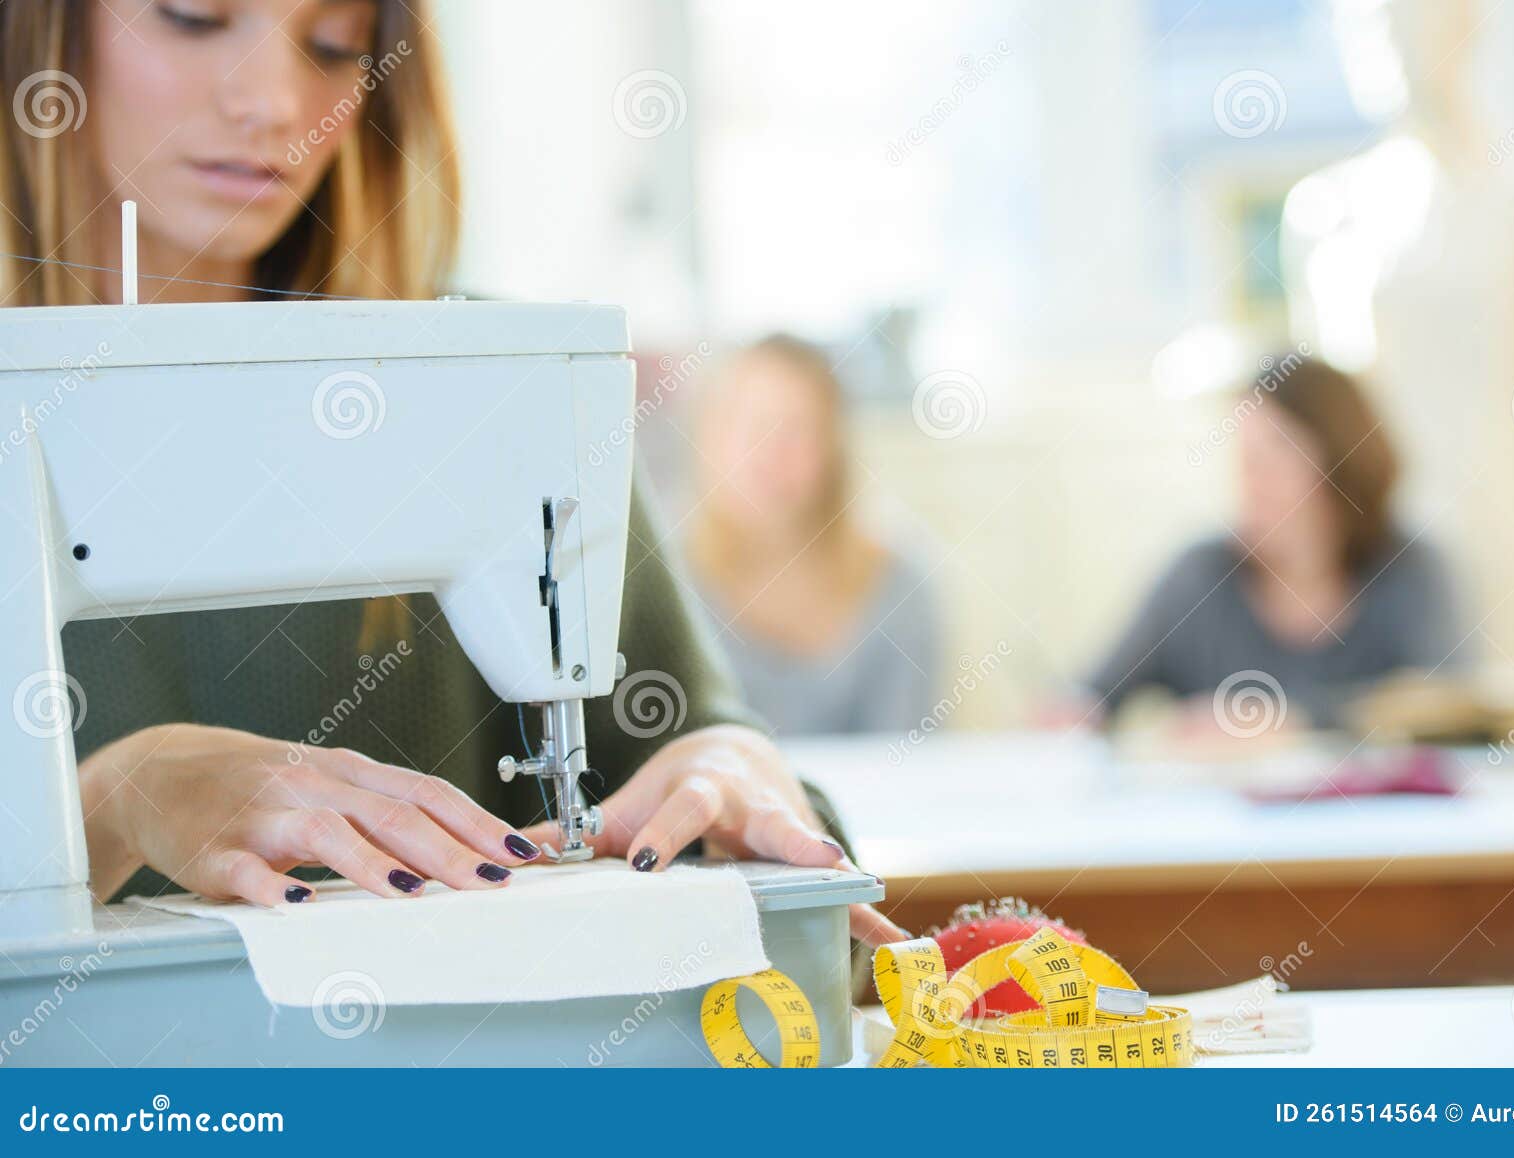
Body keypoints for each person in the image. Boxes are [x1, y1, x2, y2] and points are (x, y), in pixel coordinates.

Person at [0, 0, 899, 944]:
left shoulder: (510, 386)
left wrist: (742, 775)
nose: (276, 102)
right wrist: (104, 807)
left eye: (334, 46)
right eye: (193, 16)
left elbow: (766, 849)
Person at [1075, 356, 1462, 730]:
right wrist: (1071, 713)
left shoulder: (1412, 571)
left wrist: (1290, 723)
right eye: (1243, 462)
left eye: (1268, 461)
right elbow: (1095, 696)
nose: (1250, 485)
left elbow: (1443, 708)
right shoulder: (1198, 576)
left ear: (1339, 464)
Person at [684, 334, 940, 735]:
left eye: (796, 429)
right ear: (708, 436)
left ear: (834, 449)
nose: (769, 452)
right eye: (749, 425)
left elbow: (904, 764)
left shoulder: (902, 588)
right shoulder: (662, 582)